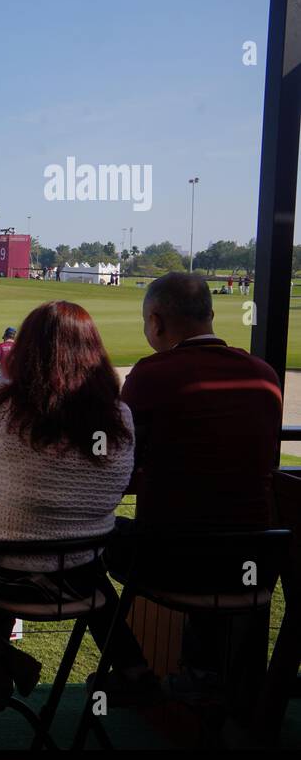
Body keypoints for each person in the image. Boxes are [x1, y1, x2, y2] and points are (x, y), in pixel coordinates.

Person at [0, 301, 155, 710]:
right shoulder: (120, 416)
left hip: (3, 573)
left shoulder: (5, 408)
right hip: (82, 576)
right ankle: (125, 667)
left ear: (26, 351)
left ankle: (6, 654)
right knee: (5, 553)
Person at [115, 272, 282, 722]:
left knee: (82, 540)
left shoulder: (151, 375)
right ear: (210, 315)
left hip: (176, 561)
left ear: (156, 321)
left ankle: (131, 671)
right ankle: (201, 678)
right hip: (256, 562)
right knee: (210, 534)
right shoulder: (263, 375)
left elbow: (117, 464)